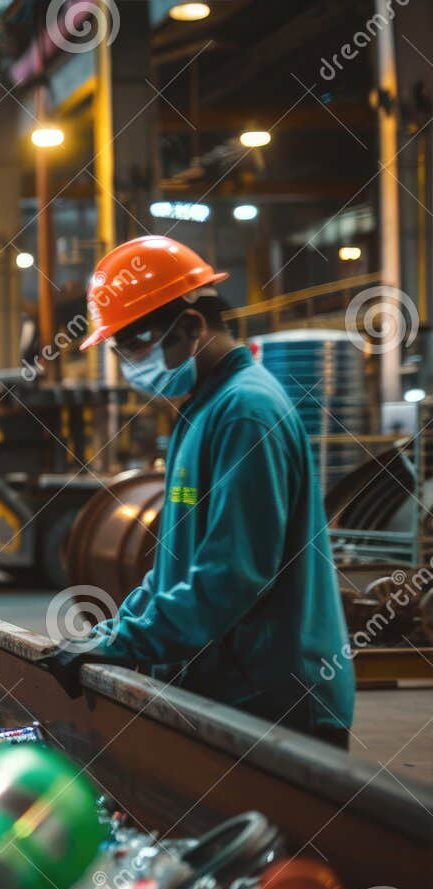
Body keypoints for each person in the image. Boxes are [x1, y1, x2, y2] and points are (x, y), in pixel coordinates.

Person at [43, 236, 354, 747]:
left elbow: (231, 574)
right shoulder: (202, 410)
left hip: (278, 699)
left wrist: (125, 640)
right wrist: (114, 631)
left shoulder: (246, 413)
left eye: (131, 345)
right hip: (232, 686)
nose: (125, 363)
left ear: (190, 327)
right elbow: (175, 565)